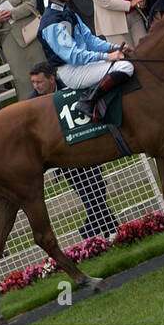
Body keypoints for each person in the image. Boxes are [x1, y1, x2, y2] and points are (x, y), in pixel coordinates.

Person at [27, 62, 120, 240]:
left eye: (39, 82)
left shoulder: (70, 86)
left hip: (84, 143)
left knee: (97, 184)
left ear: (52, 79)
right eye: (33, 82)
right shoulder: (32, 103)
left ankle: (93, 227)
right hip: (62, 155)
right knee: (85, 191)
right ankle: (108, 226)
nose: (36, 86)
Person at [37, 0, 134, 122]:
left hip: (84, 64)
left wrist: (114, 47)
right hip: (72, 71)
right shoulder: (51, 24)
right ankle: (89, 101)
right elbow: (74, 56)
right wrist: (108, 57)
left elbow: (90, 40)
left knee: (129, 59)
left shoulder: (68, 12)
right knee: (125, 67)